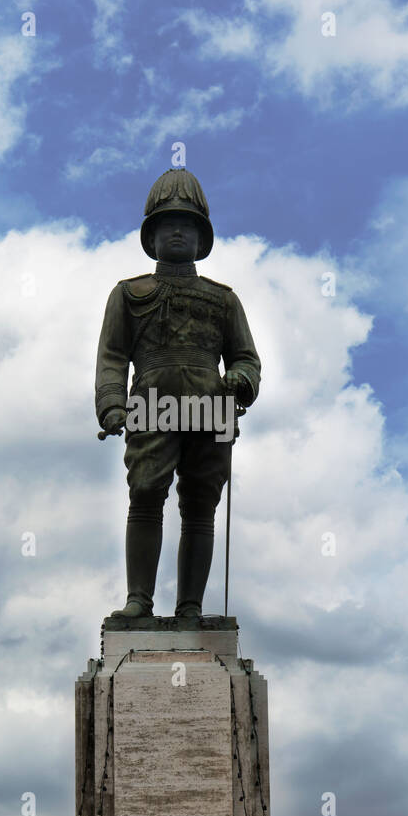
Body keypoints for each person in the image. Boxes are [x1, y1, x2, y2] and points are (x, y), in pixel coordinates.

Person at [95, 168, 261, 619]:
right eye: (168, 224)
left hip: (211, 409)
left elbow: (246, 358)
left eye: (186, 225)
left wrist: (241, 381)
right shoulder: (128, 294)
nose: (176, 232)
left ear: (200, 237)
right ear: (151, 236)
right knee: (146, 493)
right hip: (152, 406)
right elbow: (112, 356)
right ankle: (139, 601)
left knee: (200, 502)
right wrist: (111, 404)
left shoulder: (224, 300)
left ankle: (190, 607)